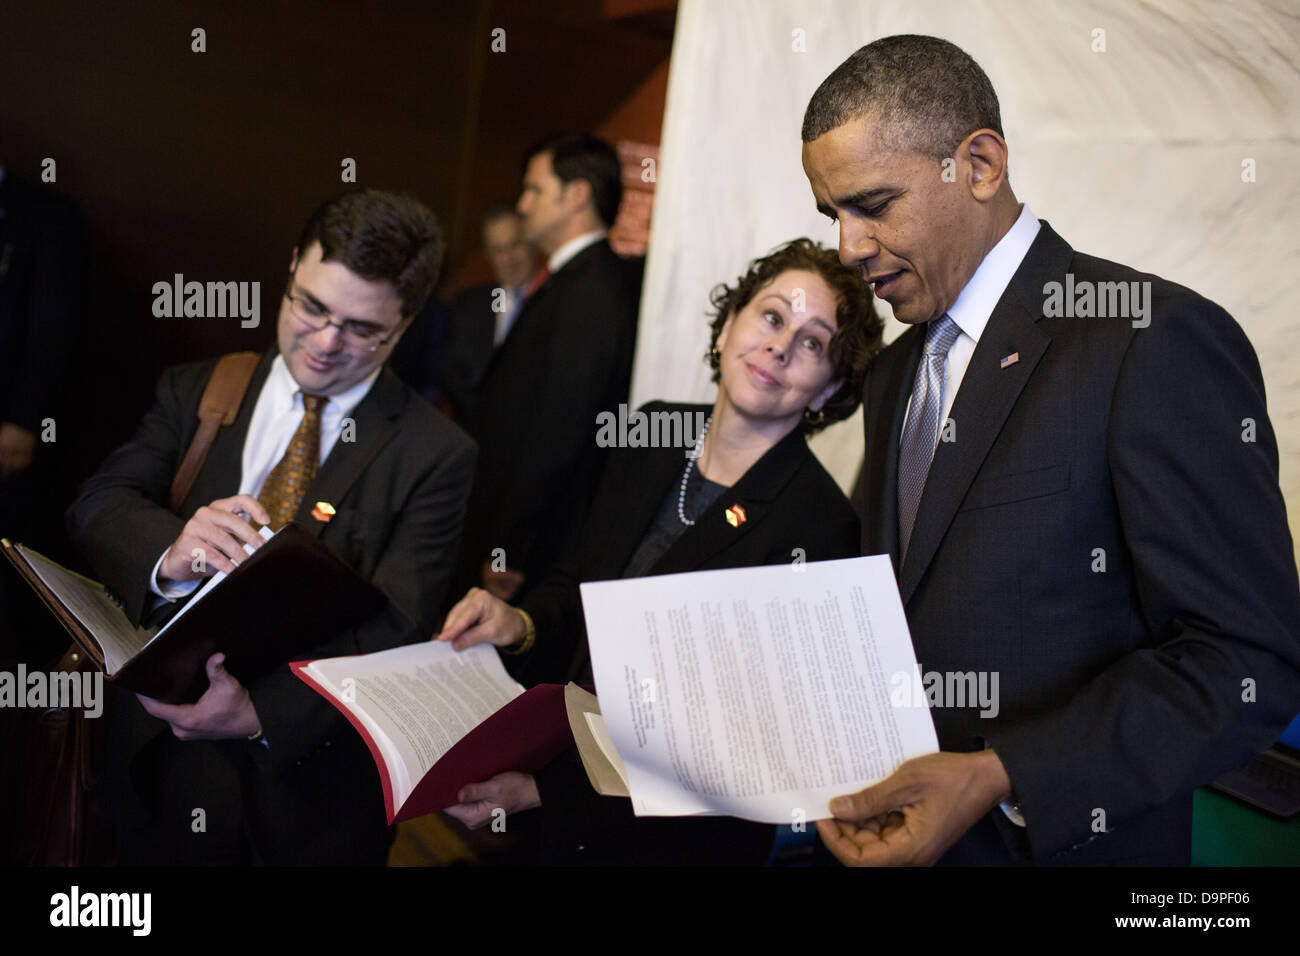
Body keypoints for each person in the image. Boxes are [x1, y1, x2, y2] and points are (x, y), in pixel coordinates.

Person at [799, 34, 1300, 866]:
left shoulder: (1149, 339)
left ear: (982, 164)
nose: (849, 247)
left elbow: (1247, 662)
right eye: (833, 215)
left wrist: (1003, 776)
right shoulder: (893, 374)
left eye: (873, 205)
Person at [437, 238, 882, 864]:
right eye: (773, 316)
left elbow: (742, 743)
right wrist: (522, 623)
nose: (780, 346)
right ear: (730, 324)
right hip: (551, 791)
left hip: (670, 841)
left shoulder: (824, 527)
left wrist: (547, 793)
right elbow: (576, 581)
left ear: (828, 388)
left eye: (812, 343)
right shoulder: (649, 431)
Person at [66, 189, 477, 865]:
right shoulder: (199, 389)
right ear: (292, 267)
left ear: (403, 326)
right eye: (310, 306)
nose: (324, 343)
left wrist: (263, 715)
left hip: (310, 796)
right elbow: (99, 501)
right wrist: (170, 549)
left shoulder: (436, 454)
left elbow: (400, 626)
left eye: (361, 328)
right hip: (159, 765)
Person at [457, 133, 638, 604]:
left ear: (576, 195)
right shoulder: (574, 282)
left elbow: (556, 436)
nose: (522, 204)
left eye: (535, 189)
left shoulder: (590, 291)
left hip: (530, 555)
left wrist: (509, 551)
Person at [439, 204, 539, 422]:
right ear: (488, 255)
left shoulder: (553, 301)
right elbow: (452, 370)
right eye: (498, 250)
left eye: (515, 245)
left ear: (532, 244)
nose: (508, 258)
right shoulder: (467, 304)